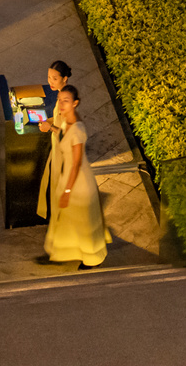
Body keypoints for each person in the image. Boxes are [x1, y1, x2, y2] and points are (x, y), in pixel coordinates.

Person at [38, 85, 110, 268]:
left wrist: (68, 191)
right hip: (69, 178)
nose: (61, 104)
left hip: (78, 183)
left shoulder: (77, 129)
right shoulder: (66, 122)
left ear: (75, 103)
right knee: (68, 221)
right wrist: (51, 127)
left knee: (82, 223)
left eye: (66, 101)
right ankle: (65, 253)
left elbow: (76, 163)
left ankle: (92, 259)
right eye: (60, 100)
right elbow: (63, 135)